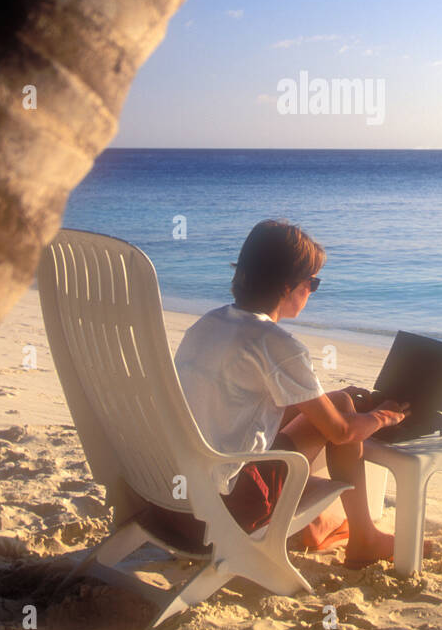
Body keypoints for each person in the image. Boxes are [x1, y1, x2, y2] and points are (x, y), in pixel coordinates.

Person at [171, 218, 411, 568]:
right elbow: (341, 432)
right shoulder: (277, 345)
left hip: (174, 497)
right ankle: (365, 539)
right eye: (312, 282)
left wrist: (326, 397)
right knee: (343, 417)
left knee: (339, 402)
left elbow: (238, 405)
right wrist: (384, 416)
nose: (312, 291)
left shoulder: (208, 324)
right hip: (229, 506)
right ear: (288, 286)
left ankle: (336, 529)